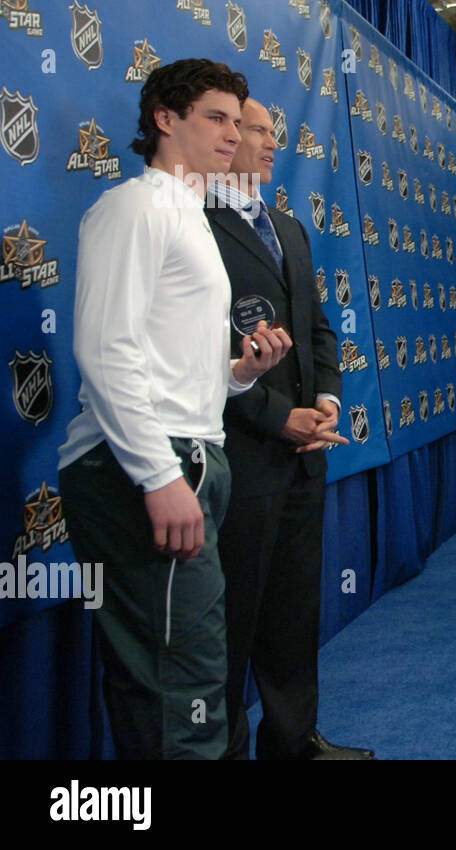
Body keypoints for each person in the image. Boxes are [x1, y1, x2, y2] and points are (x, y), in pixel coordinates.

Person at [58, 59, 291, 759]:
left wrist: (239, 374)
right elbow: (105, 350)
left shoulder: (188, 216)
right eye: (214, 118)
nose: (232, 134)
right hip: (147, 466)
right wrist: (159, 477)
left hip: (186, 454)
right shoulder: (138, 207)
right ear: (165, 119)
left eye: (236, 120)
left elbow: (167, 368)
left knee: (180, 676)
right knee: (177, 686)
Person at [205, 97, 372, 761]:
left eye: (274, 133)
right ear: (220, 138)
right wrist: (280, 420)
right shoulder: (193, 226)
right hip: (240, 458)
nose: (270, 145)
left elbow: (319, 331)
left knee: (292, 617)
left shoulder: (288, 227)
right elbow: (198, 354)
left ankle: (294, 743)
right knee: (230, 626)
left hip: (306, 459)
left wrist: (327, 401)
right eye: (254, 131)